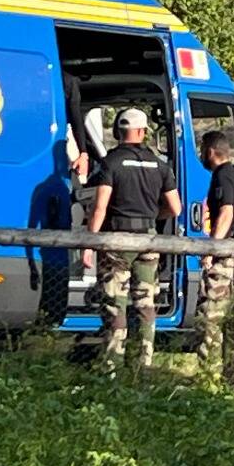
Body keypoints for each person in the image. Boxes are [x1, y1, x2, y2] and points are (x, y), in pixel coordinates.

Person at [87, 107, 182, 373]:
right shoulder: (159, 166)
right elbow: (175, 208)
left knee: (115, 302)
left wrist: (89, 242)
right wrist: (153, 215)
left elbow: (100, 207)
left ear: (119, 131)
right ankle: (144, 365)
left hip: (118, 240)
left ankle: (112, 365)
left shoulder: (111, 163)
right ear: (143, 132)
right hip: (149, 240)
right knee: (145, 302)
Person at [198, 129, 234, 383]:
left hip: (226, 256)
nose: (201, 155)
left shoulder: (221, 176)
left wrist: (212, 249)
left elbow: (226, 213)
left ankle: (209, 374)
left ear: (211, 152)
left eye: (202, 150)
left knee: (211, 315)